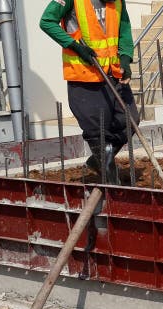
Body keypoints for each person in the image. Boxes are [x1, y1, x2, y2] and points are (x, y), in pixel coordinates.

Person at [40, 0, 138, 185]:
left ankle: (99, 160)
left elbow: (123, 28)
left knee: (130, 120)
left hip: (113, 73)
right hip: (84, 77)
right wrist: (76, 46)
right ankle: (111, 181)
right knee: (96, 131)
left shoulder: (117, 1)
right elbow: (47, 21)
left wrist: (125, 58)